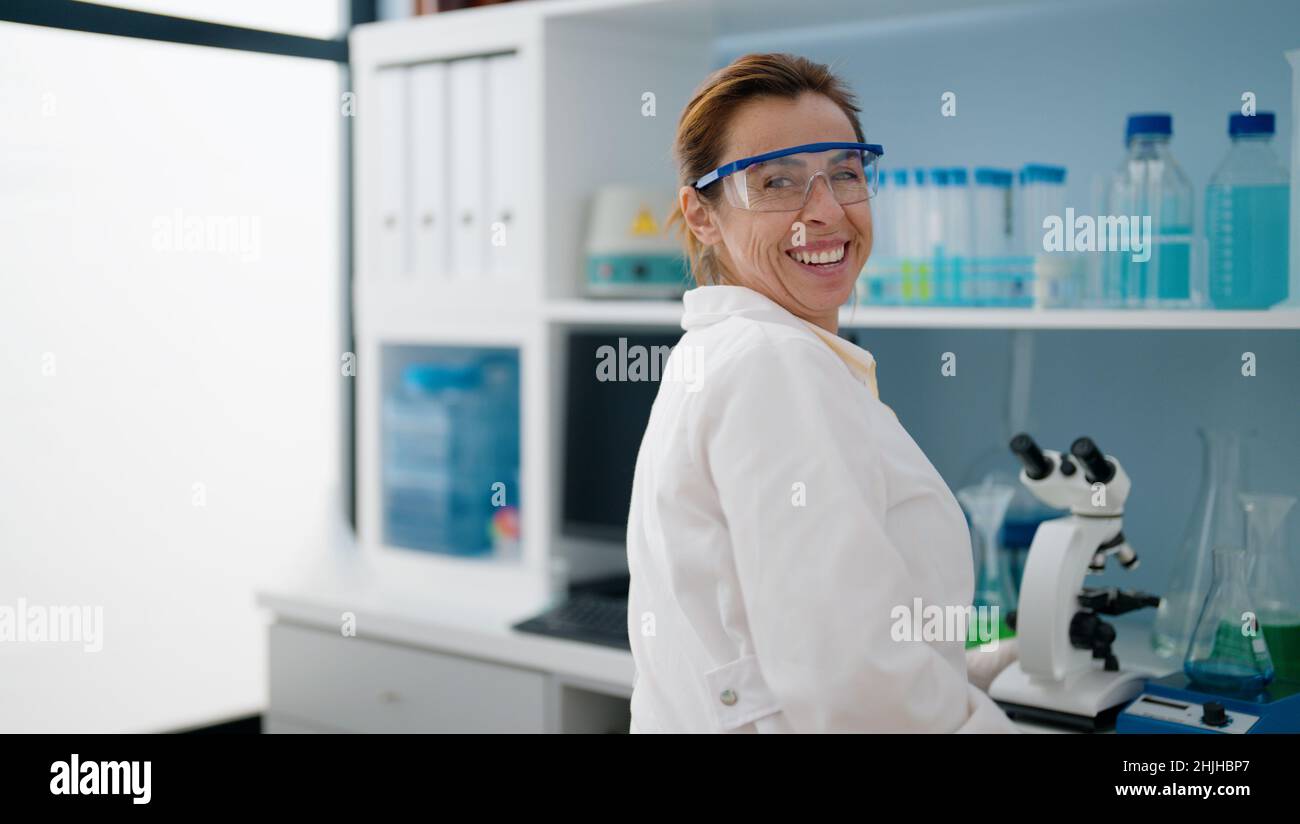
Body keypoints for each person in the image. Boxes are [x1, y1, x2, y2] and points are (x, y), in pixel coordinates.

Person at [625, 53, 1020, 733]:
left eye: (845, 173)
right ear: (701, 216)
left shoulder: (726, 353)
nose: (827, 212)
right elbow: (850, 684)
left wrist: (969, 669)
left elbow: (786, 640)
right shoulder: (772, 364)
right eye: (777, 182)